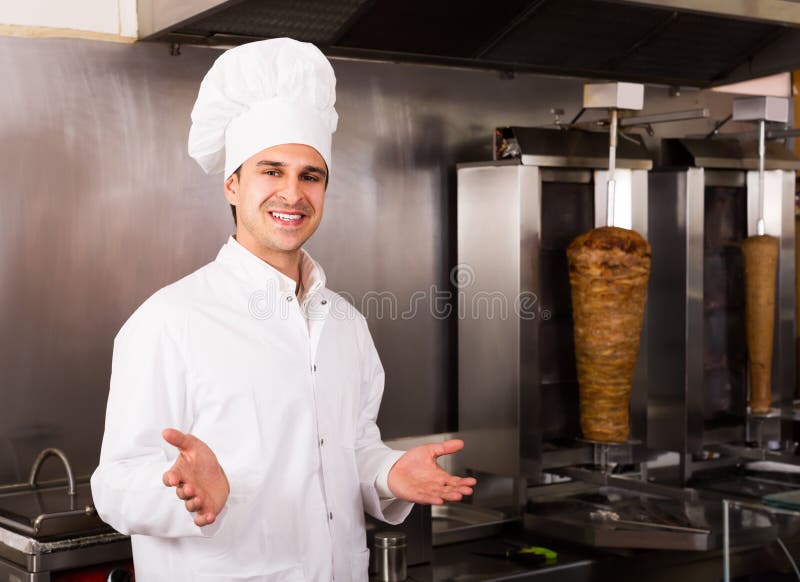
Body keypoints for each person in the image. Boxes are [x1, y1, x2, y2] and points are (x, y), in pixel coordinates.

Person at [90, 37, 476, 581]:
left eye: (309, 175)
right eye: (271, 171)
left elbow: (349, 450)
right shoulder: (168, 321)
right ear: (232, 184)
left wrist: (389, 473)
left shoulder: (345, 324)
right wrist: (187, 493)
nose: (292, 194)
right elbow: (115, 484)